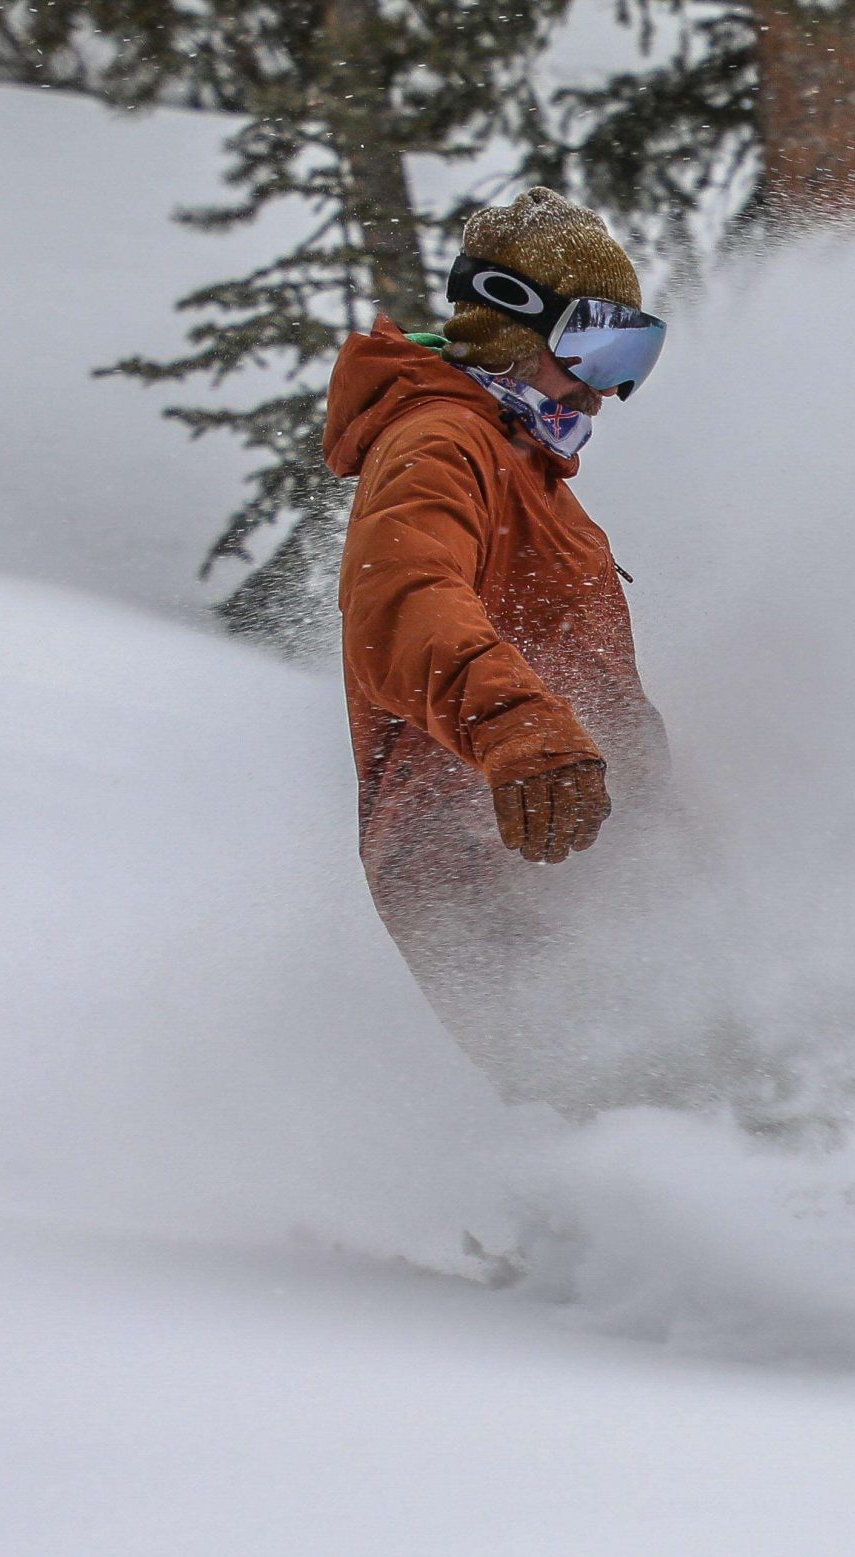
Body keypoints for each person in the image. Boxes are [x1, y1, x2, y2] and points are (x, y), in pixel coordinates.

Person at [321, 189, 675, 1102]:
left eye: (632, 357)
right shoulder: (441, 443)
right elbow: (402, 602)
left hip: (560, 836)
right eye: (596, 349)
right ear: (510, 326)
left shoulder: (525, 468)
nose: (607, 390)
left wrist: (662, 804)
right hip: (481, 848)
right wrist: (522, 729)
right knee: (631, 1093)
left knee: (688, 1087)